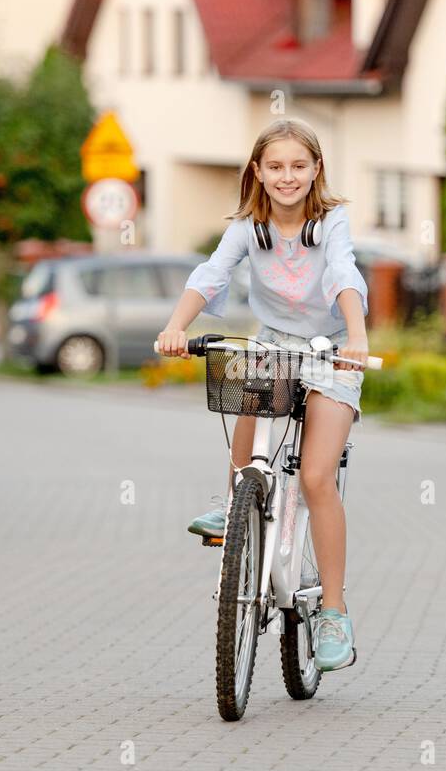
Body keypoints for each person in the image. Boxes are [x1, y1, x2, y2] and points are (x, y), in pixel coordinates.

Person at [156, 118, 369, 672]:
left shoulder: (331, 221)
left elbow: (344, 273)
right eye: (275, 166)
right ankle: (235, 502)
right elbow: (212, 272)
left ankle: (333, 613)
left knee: (318, 476)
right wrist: (177, 325)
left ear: (317, 169)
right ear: (258, 171)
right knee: (242, 382)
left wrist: (359, 339)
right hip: (275, 342)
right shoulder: (250, 226)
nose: (287, 176)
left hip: (333, 349)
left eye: (299, 165)